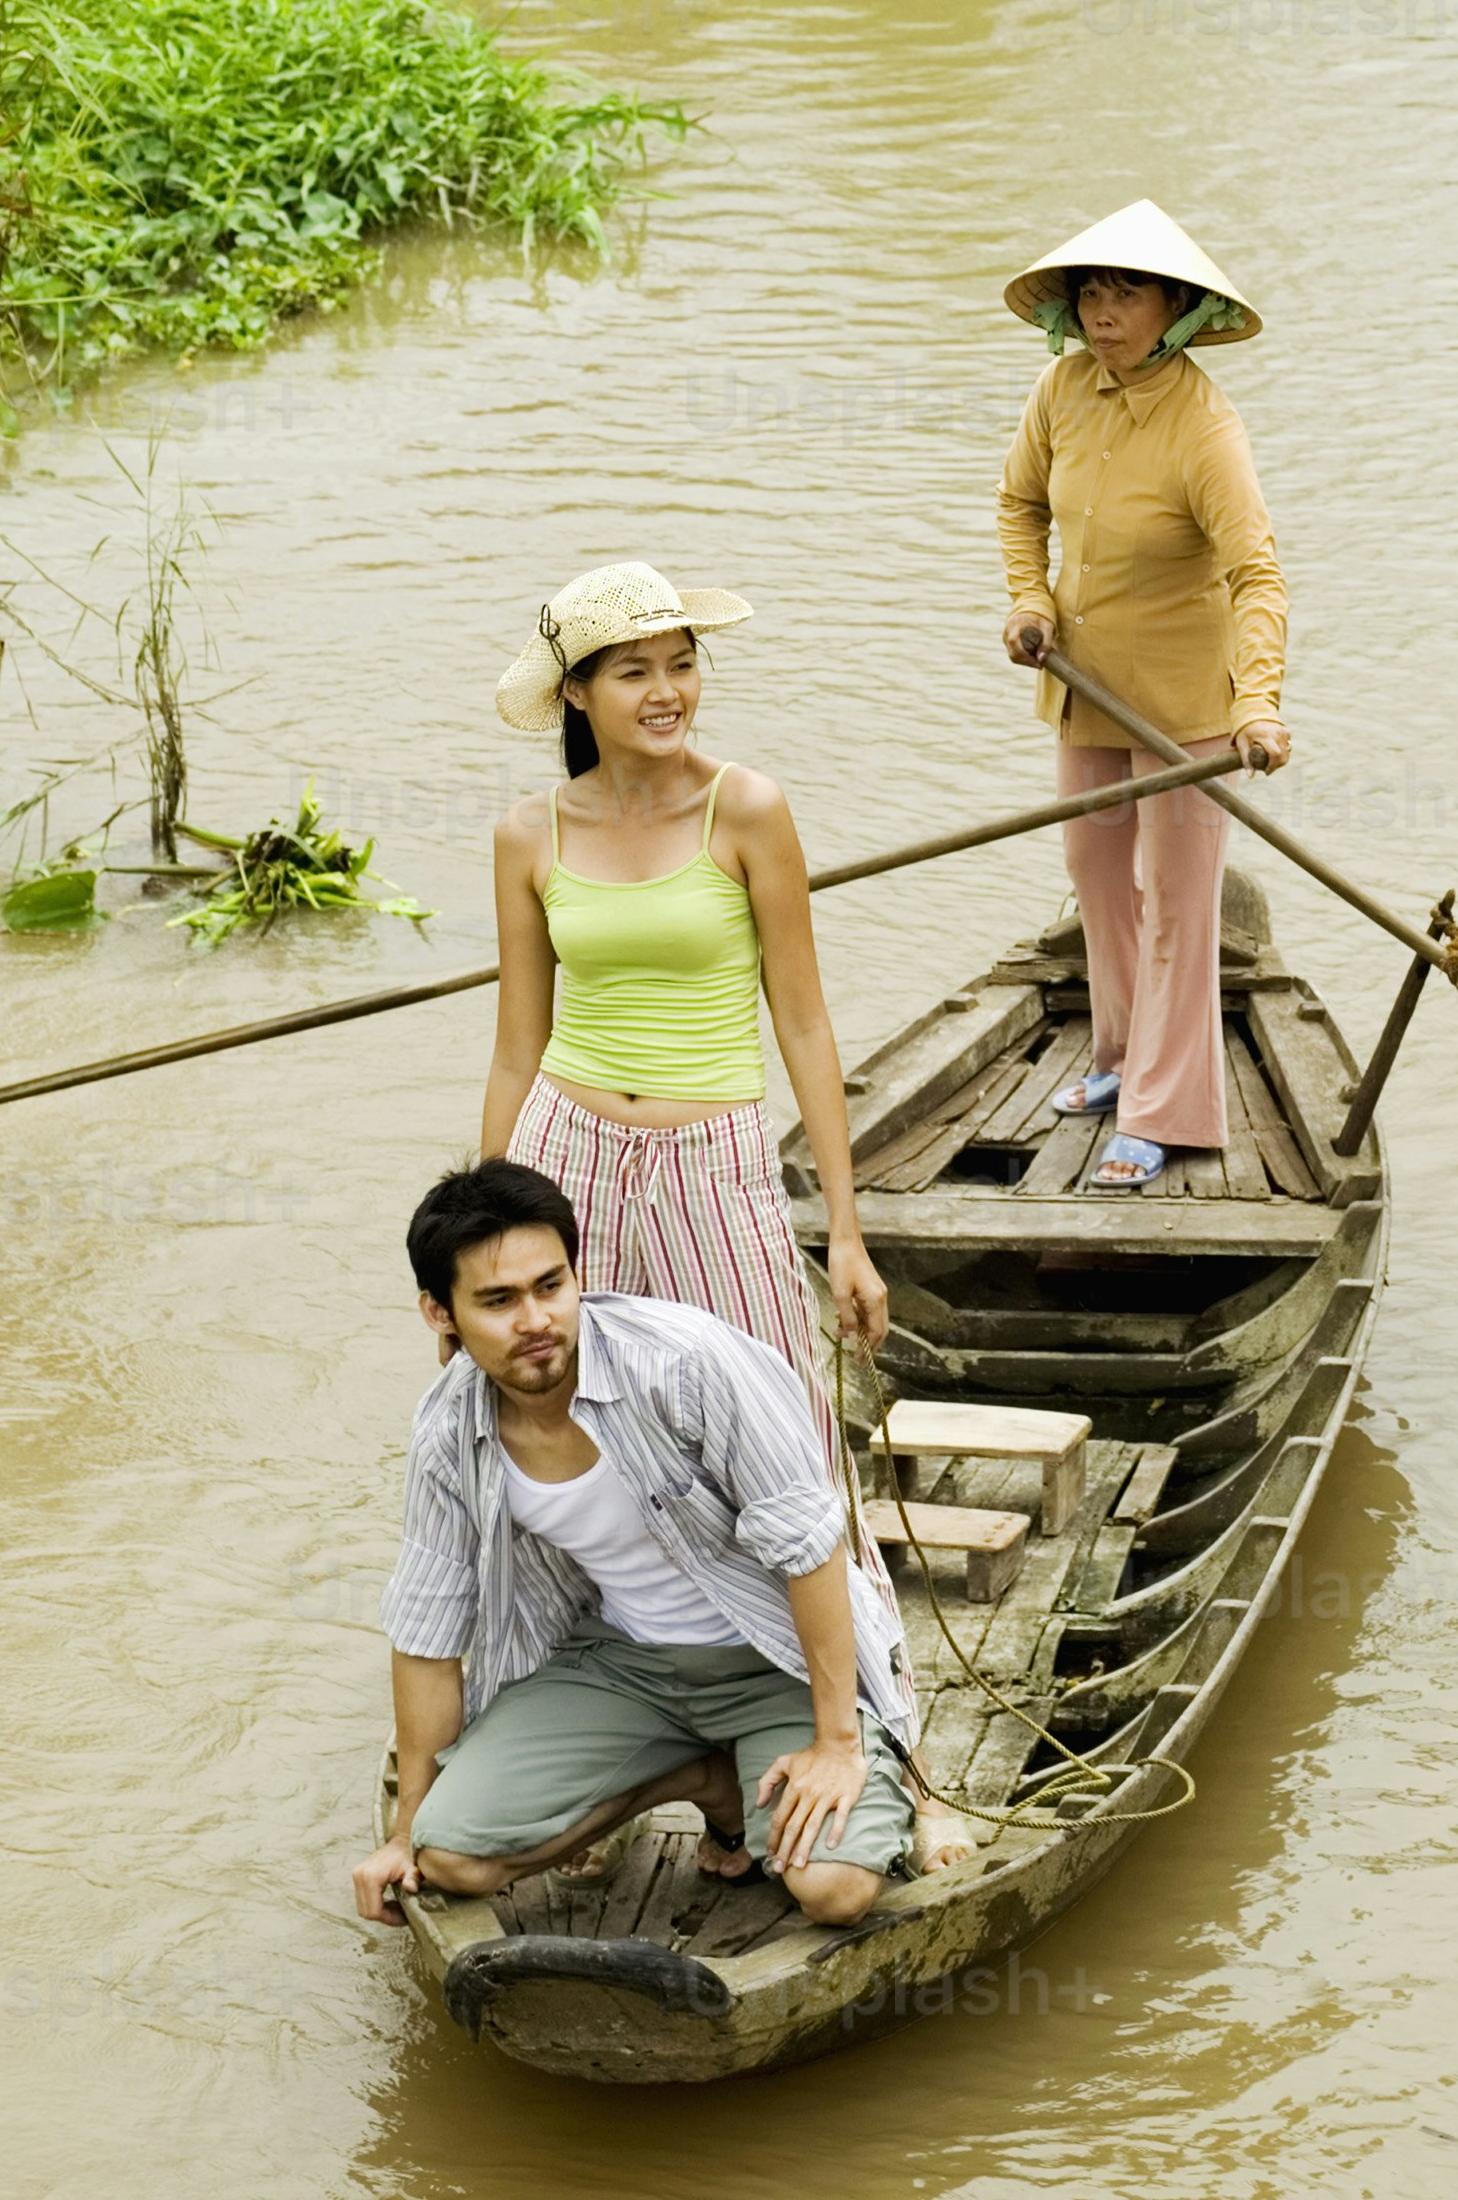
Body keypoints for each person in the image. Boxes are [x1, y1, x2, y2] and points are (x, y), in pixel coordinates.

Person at [353, 1161, 919, 1935]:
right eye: (498, 1300)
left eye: (550, 1285)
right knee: (449, 1857)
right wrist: (401, 1832)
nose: (535, 1319)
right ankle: (696, 1776)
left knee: (831, 1886)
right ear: (438, 1312)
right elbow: (426, 1629)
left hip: (772, 1656)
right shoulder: (448, 1428)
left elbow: (810, 1545)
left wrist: (835, 1743)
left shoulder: (682, 1362)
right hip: (625, 1662)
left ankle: (858, 1773)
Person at [479, 558, 889, 1390]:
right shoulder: (528, 833)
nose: (667, 691)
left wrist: (845, 1230)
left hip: (712, 1157)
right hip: (565, 1150)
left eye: (682, 663)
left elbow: (804, 1023)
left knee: (768, 1404)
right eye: (635, 671)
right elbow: (517, 1051)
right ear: (577, 692)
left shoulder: (745, 808)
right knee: (563, 1406)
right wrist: (480, 1236)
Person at [993, 196, 1290, 1195]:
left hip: (1186, 709)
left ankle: (1164, 1109)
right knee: (1093, 870)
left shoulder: (1206, 428)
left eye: (1127, 289)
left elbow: (1257, 576)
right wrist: (1029, 601)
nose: (1102, 307)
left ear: (1177, 306)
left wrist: (1256, 703)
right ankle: (1117, 1056)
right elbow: (1019, 503)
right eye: (1090, 289)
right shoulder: (1059, 390)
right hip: (1082, 685)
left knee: (1177, 899)